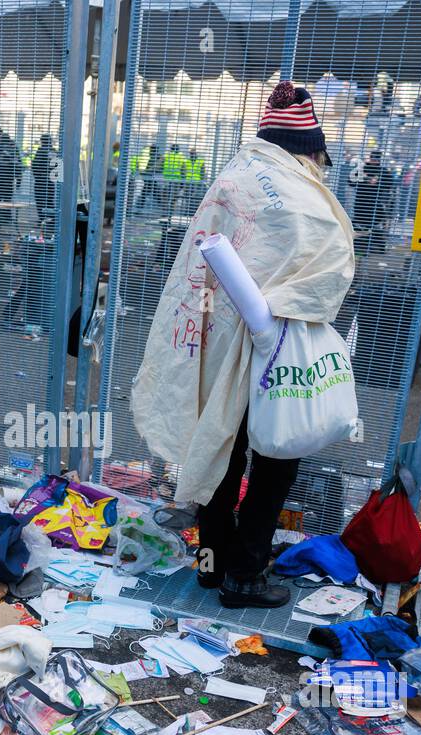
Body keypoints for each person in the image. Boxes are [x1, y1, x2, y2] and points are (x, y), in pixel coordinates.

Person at [131, 81, 355, 609]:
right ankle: (246, 576)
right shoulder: (304, 197)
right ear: (308, 149)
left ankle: (211, 566)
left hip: (215, 339)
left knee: (221, 450)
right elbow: (325, 280)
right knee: (276, 459)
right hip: (274, 346)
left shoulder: (233, 176)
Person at [32, 133, 57, 228]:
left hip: (41, 180)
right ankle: (51, 219)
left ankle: (43, 219)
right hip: (50, 181)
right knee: (49, 200)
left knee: (40, 200)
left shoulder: (41, 151)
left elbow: (35, 165)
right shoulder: (53, 151)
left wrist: (37, 175)